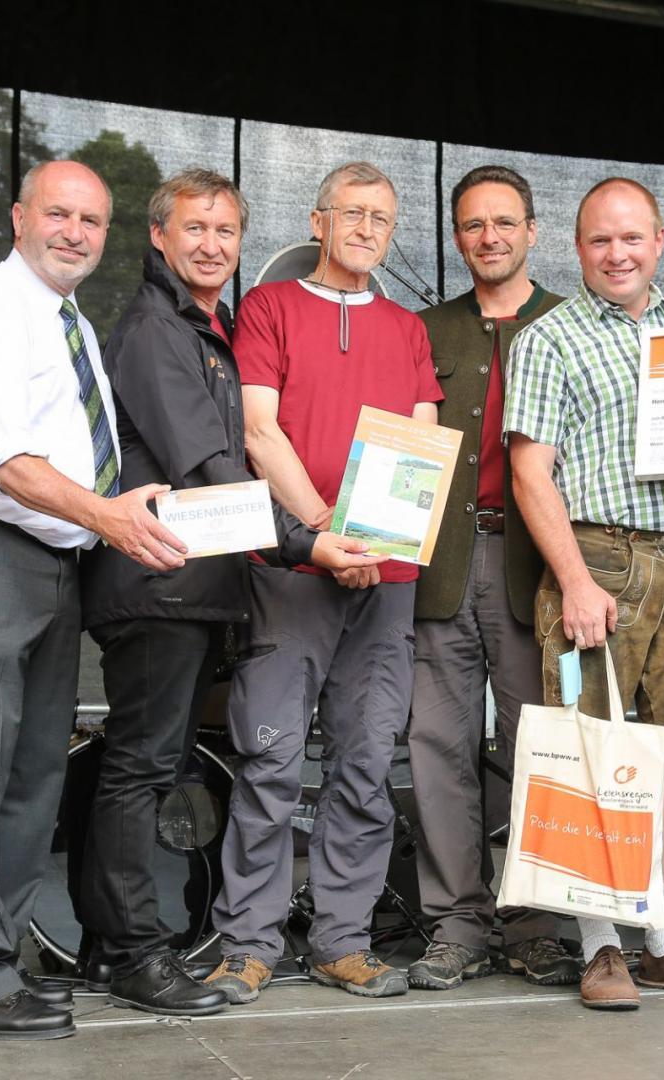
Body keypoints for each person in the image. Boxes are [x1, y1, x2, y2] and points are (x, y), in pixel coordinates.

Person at [77, 169, 384, 1016]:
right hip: (156, 584)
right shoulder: (153, 329)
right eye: (195, 229)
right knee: (139, 771)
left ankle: (111, 950)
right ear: (160, 238)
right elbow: (210, 472)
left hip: (191, 587)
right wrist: (307, 544)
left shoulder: (200, 326)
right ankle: (139, 955)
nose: (212, 245)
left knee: (141, 765)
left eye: (226, 232)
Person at [0, 160, 188, 1041]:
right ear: (20, 217)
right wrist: (111, 518)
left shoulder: (68, 325)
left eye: (92, 221)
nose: (75, 232)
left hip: (48, 563)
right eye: (57, 213)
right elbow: (5, 464)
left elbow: (70, 456)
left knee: (33, 780)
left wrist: (117, 519)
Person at [505, 177, 664, 1011]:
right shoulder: (550, 337)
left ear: (661, 240)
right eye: (600, 241)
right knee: (590, 756)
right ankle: (602, 947)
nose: (617, 255)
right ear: (577, 250)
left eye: (632, 239)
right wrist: (572, 577)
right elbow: (528, 471)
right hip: (597, 561)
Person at [204, 161, 442, 1003]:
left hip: (387, 571)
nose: (369, 228)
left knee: (366, 762)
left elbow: (420, 440)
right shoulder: (268, 309)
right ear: (318, 221)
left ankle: (342, 938)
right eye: (354, 213)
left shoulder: (410, 331)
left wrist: (375, 538)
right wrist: (321, 536)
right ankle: (249, 943)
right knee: (268, 760)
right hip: (294, 570)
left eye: (383, 216)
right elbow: (259, 432)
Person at [403, 166, 577, 992]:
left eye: (505, 223)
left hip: (536, 564)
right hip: (441, 558)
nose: (490, 238)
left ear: (533, 231)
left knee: (537, 744)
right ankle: (455, 924)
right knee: (436, 744)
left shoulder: (574, 325)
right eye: (473, 225)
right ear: (458, 236)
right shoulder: (421, 330)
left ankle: (536, 925)